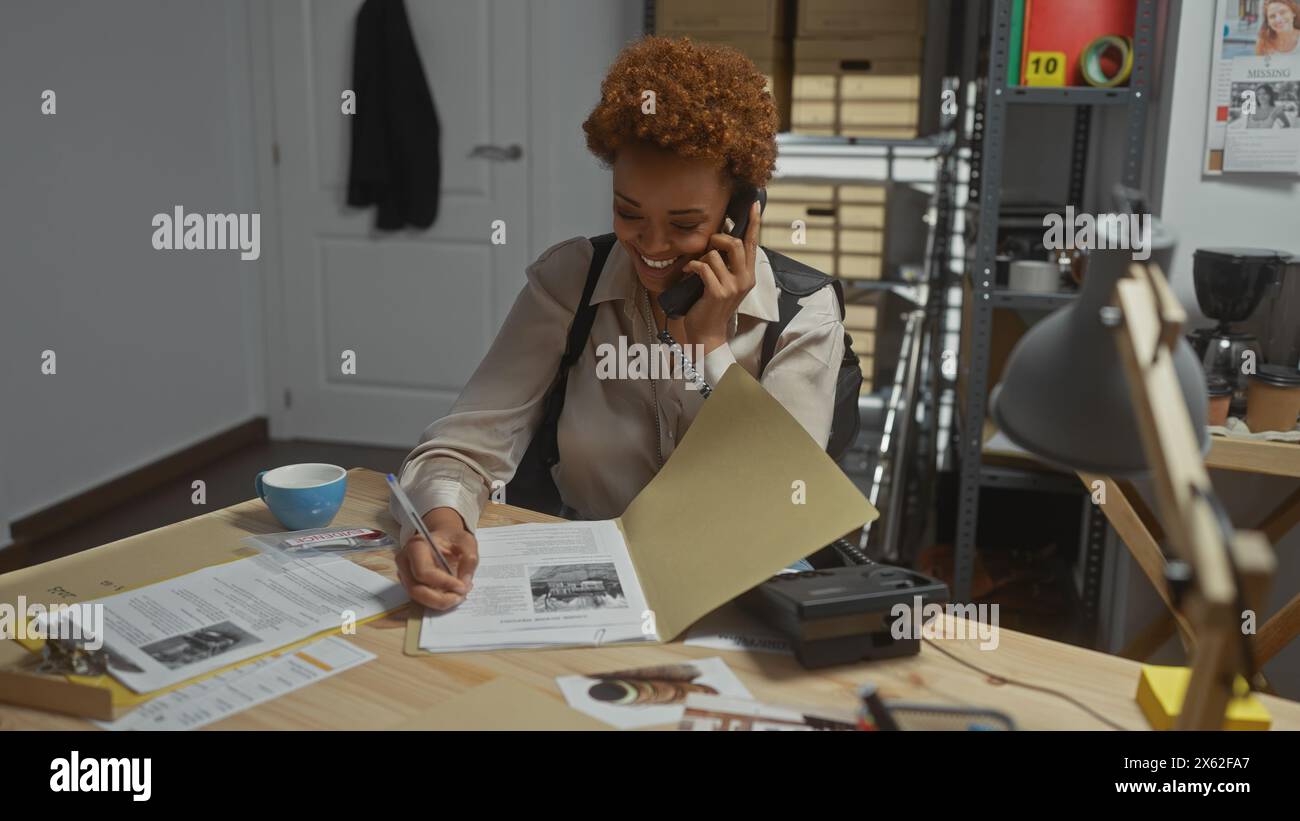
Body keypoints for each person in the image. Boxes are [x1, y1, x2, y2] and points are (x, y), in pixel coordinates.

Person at [390, 37, 847, 611]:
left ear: (742, 212)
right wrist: (440, 518)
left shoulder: (802, 314)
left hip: (738, 589)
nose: (651, 247)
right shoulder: (571, 280)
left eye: (685, 224)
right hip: (586, 576)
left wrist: (708, 345)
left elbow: (782, 499)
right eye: (629, 212)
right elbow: (462, 447)